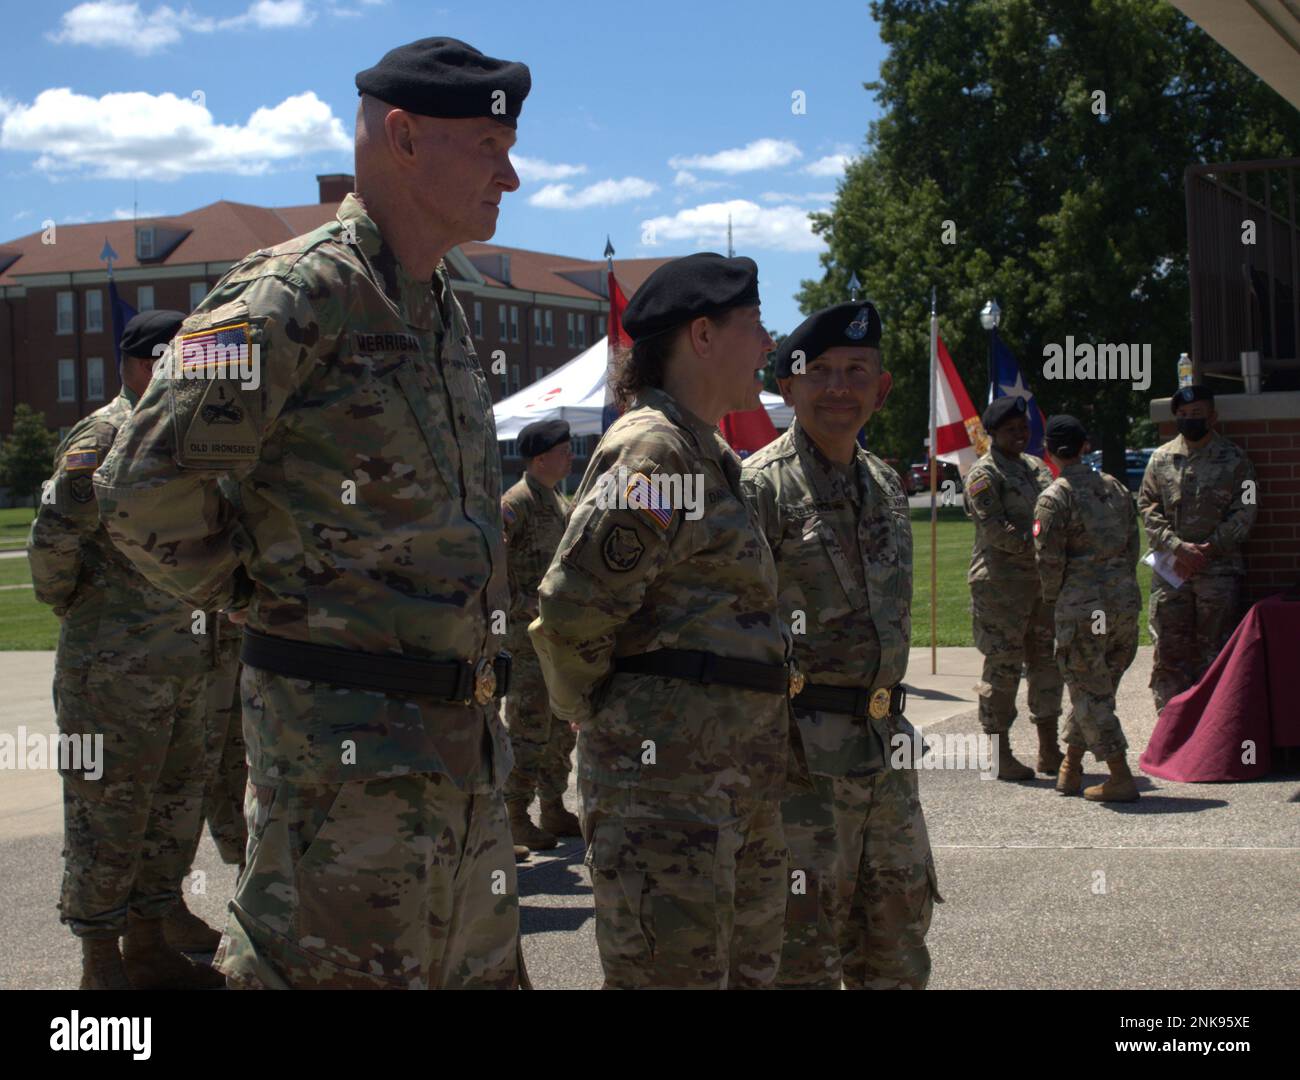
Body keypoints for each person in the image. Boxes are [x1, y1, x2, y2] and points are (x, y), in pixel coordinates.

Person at [94, 37, 531, 989]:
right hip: (345, 784)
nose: (513, 171)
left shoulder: (439, 309)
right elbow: (139, 483)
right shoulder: (291, 296)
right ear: (406, 137)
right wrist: (259, 592)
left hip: (460, 769)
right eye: (490, 144)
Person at [529, 253, 794, 989]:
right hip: (667, 799)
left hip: (729, 791)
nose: (769, 342)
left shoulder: (703, 454)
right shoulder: (658, 453)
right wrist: (595, 714)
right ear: (702, 337)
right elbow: (570, 611)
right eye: (755, 325)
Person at [741, 301, 940, 990]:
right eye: (818, 371)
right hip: (797, 772)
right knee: (802, 958)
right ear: (787, 387)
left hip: (885, 756)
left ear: (881, 390)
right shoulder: (756, 490)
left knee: (898, 948)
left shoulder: (885, 487)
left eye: (857, 371)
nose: (838, 387)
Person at [28, 310, 224, 989]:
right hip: (110, 668)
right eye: (171, 363)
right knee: (107, 815)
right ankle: (99, 964)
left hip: (182, 664)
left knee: (173, 811)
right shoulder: (105, 437)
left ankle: (148, 946)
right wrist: (77, 606)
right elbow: (53, 538)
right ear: (137, 364)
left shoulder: (190, 437)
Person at [1034, 416, 1141, 802]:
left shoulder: (1054, 497)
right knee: (1096, 689)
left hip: (1083, 609)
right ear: (1084, 446)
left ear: (1049, 451)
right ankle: (1071, 766)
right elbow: (1133, 543)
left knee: (1087, 691)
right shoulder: (1114, 487)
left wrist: (1053, 601)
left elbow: (1048, 561)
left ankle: (1119, 775)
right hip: (1123, 605)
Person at [1138, 385, 1256, 711]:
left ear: (1213, 417)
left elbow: (1246, 509)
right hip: (1171, 571)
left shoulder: (1235, 460)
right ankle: (1171, 728)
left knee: (1215, 652)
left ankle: (1211, 730)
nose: (1190, 419)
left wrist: (1209, 548)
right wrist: (1178, 547)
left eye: (1197, 414)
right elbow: (1147, 507)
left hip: (1217, 572)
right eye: (1184, 415)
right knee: (1169, 651)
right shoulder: (1161, 459)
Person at [964, 395, 1064, 780]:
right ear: (992, 434)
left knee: (1045, 664)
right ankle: (999, 751)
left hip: (1041, 585)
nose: (1020, 435)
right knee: (1003, 668)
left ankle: (1048, 748)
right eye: (1010, 430)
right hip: (1000, 587)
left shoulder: (1037, 467)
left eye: (1023, 428)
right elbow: (995, 530)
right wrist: (1042, 544)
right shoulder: (984, 475)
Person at [501, 419, 578, 852]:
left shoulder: (555, 499)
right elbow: (493, 560)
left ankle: (553, 806)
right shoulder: (518, 502)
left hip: (553, 637)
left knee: (559, 729)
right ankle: (513, 816)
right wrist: (513, 607)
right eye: (564, 450)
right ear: (540, 458)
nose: (569, 455)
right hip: (526, 639)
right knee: (528, 729)